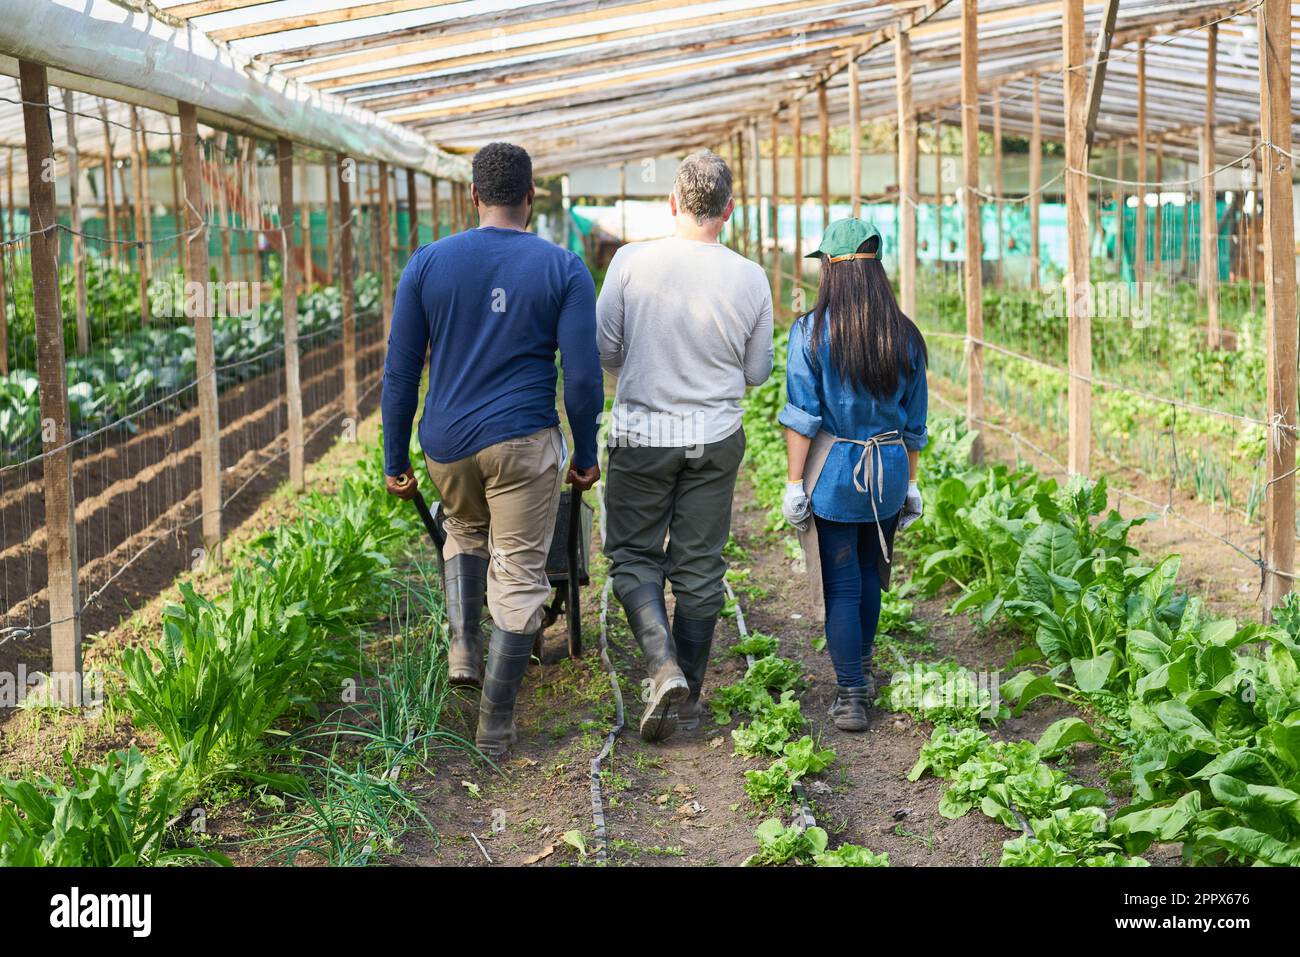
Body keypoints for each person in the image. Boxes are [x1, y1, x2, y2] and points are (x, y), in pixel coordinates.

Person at [382, 142, 603, 758]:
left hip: (446, 445)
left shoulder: (427, 264)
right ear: (531, 199)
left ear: (473, 197)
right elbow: (582, 379)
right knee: (521, 571)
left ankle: (463, 646)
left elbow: (400, 375)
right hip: (523, 443)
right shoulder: (563, 269)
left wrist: (393, 459)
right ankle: (496, 723)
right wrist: (585, 452)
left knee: (463, 528)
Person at [597, 149, 773, 742]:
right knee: (699, 568)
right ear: (728, 210)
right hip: (713, 438)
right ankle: (688, 700)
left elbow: (606, 351)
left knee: (632, 557)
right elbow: (757, 372)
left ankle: (662, 666)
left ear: (672, 204)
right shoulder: (750, 276)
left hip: (643, 435)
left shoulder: (629, 263)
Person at [779, 219, 928, 733]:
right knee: (871, 575)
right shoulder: (904, 335)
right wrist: (910, 484)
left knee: (841, 584)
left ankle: (850, 695)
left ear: (831, 270)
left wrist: (795, 485)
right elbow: (913, 424)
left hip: (837, 473)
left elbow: (803, 417)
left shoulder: (810, 332)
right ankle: (861, 669)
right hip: (885, 472)